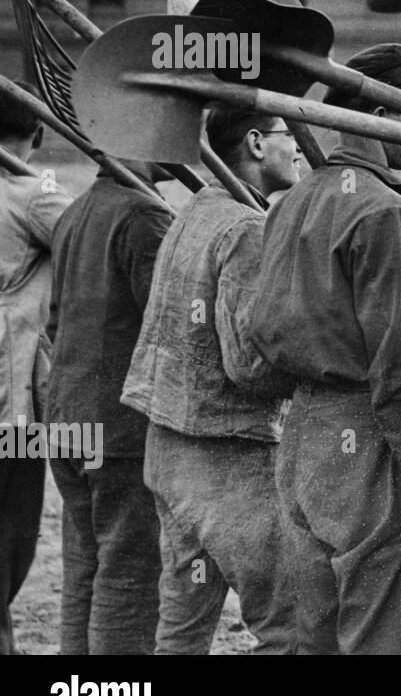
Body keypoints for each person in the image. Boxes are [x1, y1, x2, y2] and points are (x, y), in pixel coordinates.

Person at [246, 43, 401, 655]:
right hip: (369, 443)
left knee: (319, 638)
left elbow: (266, 329)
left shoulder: (292, 203)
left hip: (303, 440)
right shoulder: (384, 211)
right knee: (391, 632)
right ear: (376, 113)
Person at [121, 106, 302, 654]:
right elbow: (248, 366)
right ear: (253, 143)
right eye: (288, 134)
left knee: (182, 626)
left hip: (169, 449)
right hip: (227, 458)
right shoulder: (246, 228)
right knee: (289, 626)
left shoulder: (197, 209)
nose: (297, 148)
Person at [46, 155, 174, 654]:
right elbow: (166, 332)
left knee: (85, 566)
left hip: (65, 420)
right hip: (120, 431)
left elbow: (55, 324)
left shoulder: (76, 209)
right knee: (129, 574)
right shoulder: (144, 216)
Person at [0, 84, 74, 654]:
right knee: (15, 530)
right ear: (40, 134)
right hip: (12, 406)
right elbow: (88, 233)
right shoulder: (33, 192)